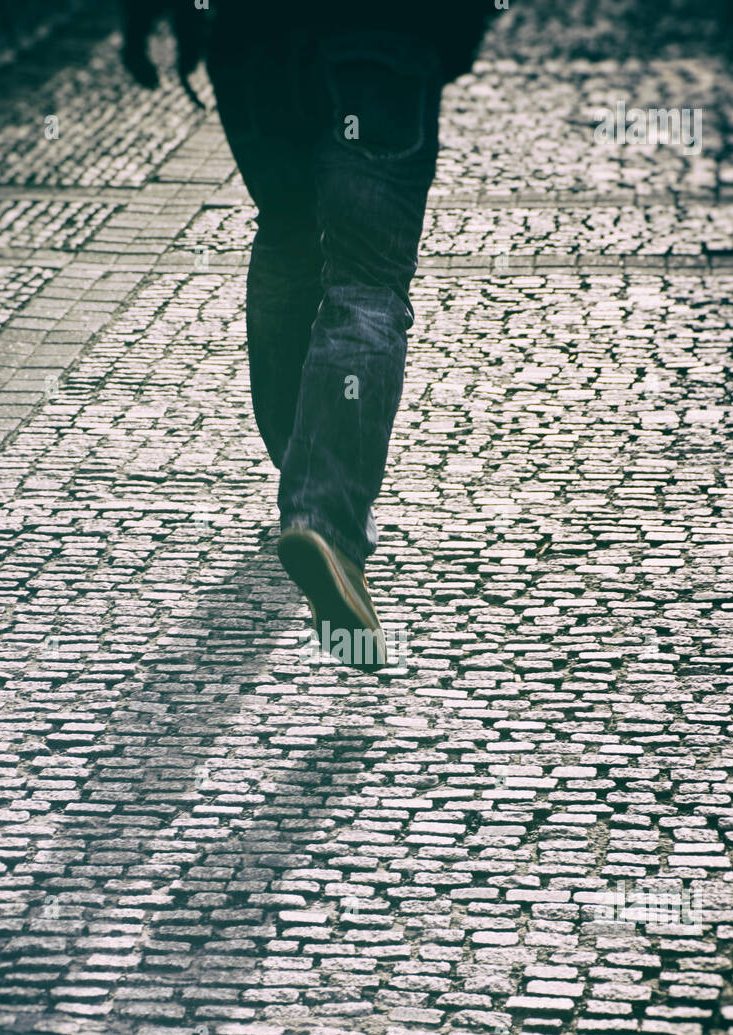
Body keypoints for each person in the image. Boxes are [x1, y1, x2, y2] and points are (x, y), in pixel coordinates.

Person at [122, 1, 493, 669]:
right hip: (382, 39)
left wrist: (151, 16)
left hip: (253, 40)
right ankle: (322, 514)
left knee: (288, 229)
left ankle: (297, 453)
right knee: (366, 280)